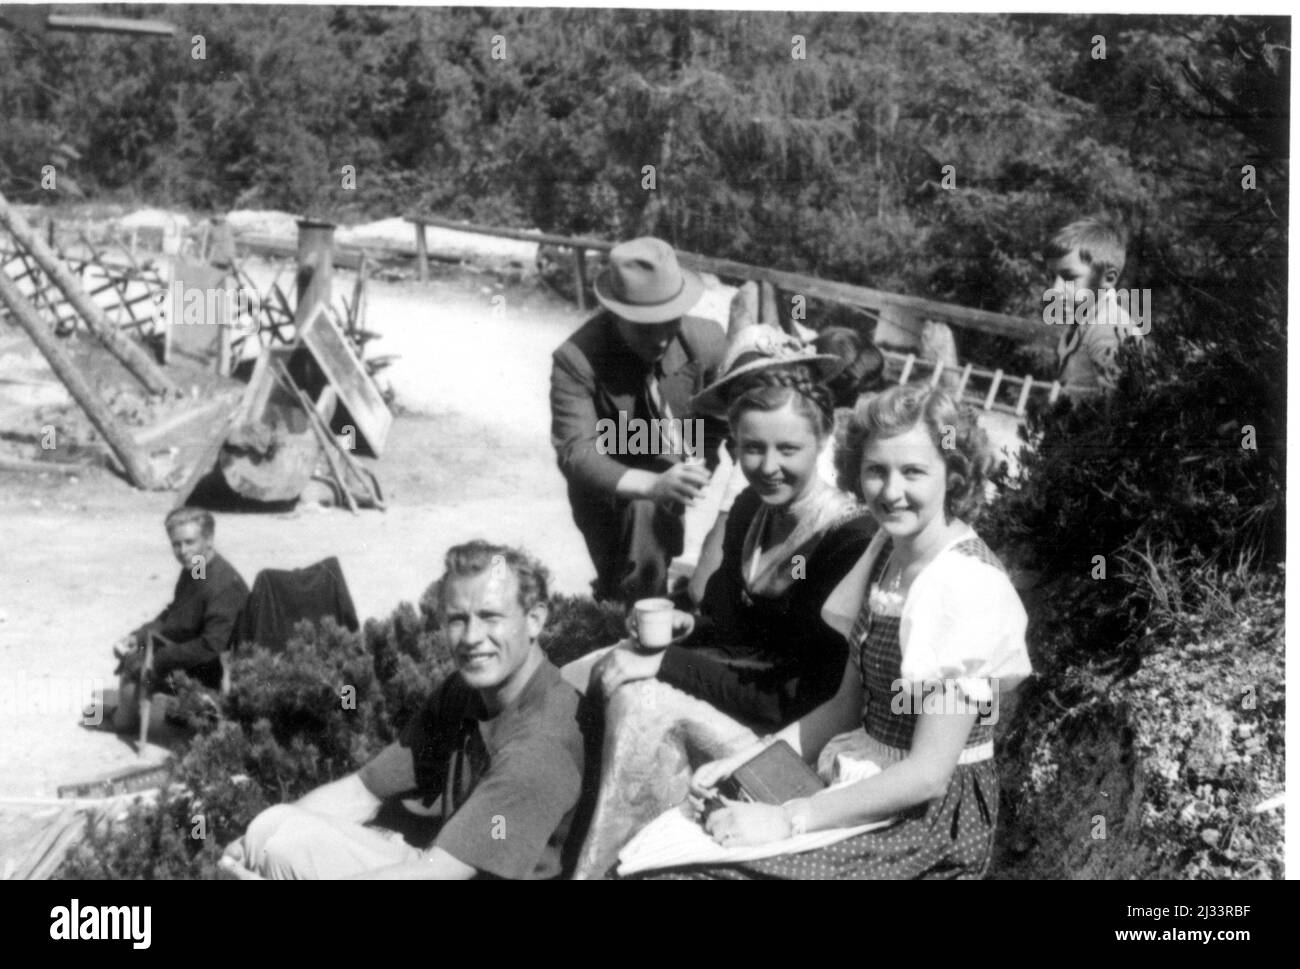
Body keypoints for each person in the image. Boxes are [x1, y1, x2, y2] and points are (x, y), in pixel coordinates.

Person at [662, 384, 1031, 880]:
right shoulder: (883, 551)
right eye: (876, 470)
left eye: (914, 472)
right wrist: (746, 761)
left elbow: (927, 775)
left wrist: (788, 819)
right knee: (683, 839)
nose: (891, 491)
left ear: (955, 474)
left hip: (926, 822)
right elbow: (843, 707)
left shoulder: (963, 587)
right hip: (864, 780)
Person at [566, 331, 875, 877]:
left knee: (642, 704)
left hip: (793, 739)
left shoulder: (846, 541)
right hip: (745, 702)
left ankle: (607, 868)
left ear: (824, 436)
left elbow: (798, 695)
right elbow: (739, 634)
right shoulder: (752, 510)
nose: (769, 466)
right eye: (752, 448)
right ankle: (552, 839)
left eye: (788, 450)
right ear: (733, 441)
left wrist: (668, 663)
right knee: (592, 666)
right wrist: (693, 627)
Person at [225, 541, 590, 880]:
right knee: (272, 829)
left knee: (280, 856)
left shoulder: (541, 746)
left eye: (491, 616)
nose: (471, 637)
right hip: (435, 866)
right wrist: (244, 848)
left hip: (440, 874)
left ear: (535, 619)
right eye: (457, 619)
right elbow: (362, 791)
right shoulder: (466, 692)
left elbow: (433, 876)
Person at [550, 236, 727, 605]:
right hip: (607, 488)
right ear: (615, 314)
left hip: (669, 471)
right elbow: (575, 452)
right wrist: (651, 485)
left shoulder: (707, 342)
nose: (662, 338)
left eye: (669, 321)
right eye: (646, 326)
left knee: (647, 578)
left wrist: (703, 461)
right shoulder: (577, 357)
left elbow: (729, 419)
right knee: (620, 580)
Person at [98, 507, 248, 733]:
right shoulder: (198, 566)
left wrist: (158, 659)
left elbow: (213, 645)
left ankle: (124, 721)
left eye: (190, 542)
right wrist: (138, 636)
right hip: (197, 658)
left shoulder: (224, 585)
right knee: (136, 650)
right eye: (176, 544)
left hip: (213, 671)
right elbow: (177, 612)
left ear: (209, 539)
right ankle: (172, 710)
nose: (183, 551)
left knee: (134, 664)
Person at [1046, 217, 1146, 394]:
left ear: (1108, 278)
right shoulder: (1084, 320)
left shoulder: (1108, 329)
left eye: (1069, 278)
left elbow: (1120, 405)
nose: (1055, 289)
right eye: (1052, 277)